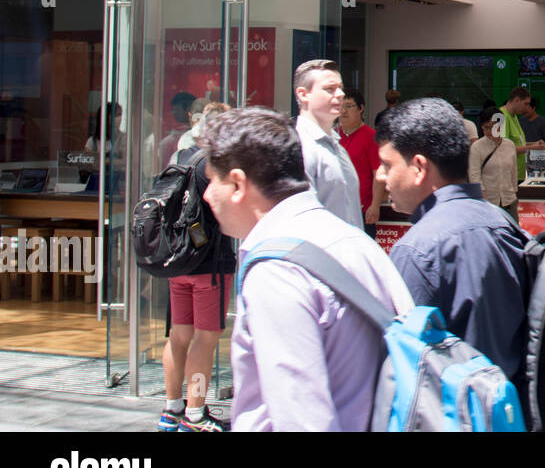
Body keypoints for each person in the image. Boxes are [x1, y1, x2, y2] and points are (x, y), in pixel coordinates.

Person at [201, 106, 413, 431]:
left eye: (212, 179)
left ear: (238, 184)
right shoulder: (355, 243)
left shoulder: (276, 270)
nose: (206, 194)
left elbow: (301, 419)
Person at [377, 98, 532, 406]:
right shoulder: (504, 225)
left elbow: (402, 364)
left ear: (419, 167)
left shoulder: (418, 250)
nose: (381, 177)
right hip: (511, 412)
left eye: (387, 165)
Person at [159, 123, 238, 432]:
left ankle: (171, 410)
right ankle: (195, 415)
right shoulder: (216, 165)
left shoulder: (179, 159)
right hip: (210, 265)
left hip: (178, 262)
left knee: (178, 336)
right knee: (205, 340)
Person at [293, 59, 363, 231]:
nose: (340, 94)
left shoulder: (336, 145)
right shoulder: (298, 148)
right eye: (329, 89)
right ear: (303, 94)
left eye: (340, 88)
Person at [338, 88, 385, 238]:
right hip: (337, 208)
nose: (343, 111)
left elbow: (377, 173)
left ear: (361, 108)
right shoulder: (331, 136)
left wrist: (375, 205)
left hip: (362, 210)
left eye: (349, 106)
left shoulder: (371, 137)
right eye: (340, 106)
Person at [468, 105, 518, 219]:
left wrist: (514, 192)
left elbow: (513, 172)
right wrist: (482, 196)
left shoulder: (509, 145)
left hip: (509, 201)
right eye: (486, 127)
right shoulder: (477, 147)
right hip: (488, 202)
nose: (489, 131)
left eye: (493, 127)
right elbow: (474, 175)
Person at [500, 86, 545, 181]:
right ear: (517, 100)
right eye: (525, 104)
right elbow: (502, 148)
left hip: (518, 174)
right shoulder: (501, 116)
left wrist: (534, 144)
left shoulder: (514, 116)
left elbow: (517, 143)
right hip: (507, 176)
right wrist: (532, 148)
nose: (526, 108)